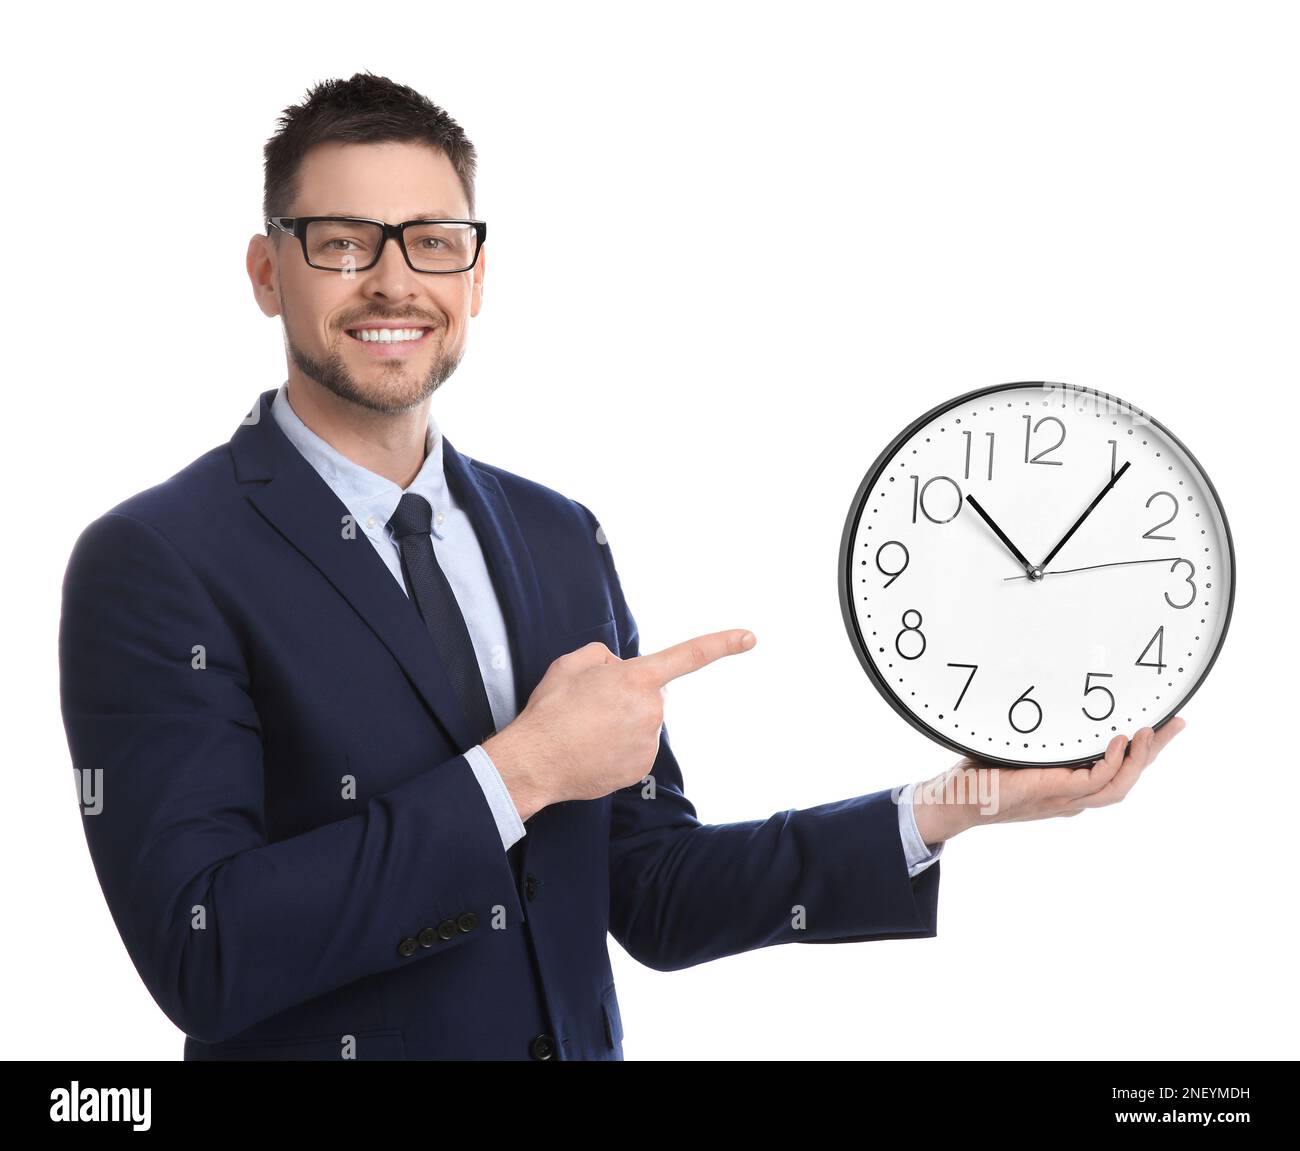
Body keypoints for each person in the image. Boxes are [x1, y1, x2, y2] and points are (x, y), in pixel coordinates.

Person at [58, 72, 1185, 1061]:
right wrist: (523, 769)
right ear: (268, 270)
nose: (392, 280)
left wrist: (957, 802)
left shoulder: (556, 534)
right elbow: (202, 949)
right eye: (342, 241)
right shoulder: (156, 559)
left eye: (432, 241)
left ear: (477, 273)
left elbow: (649, 892)